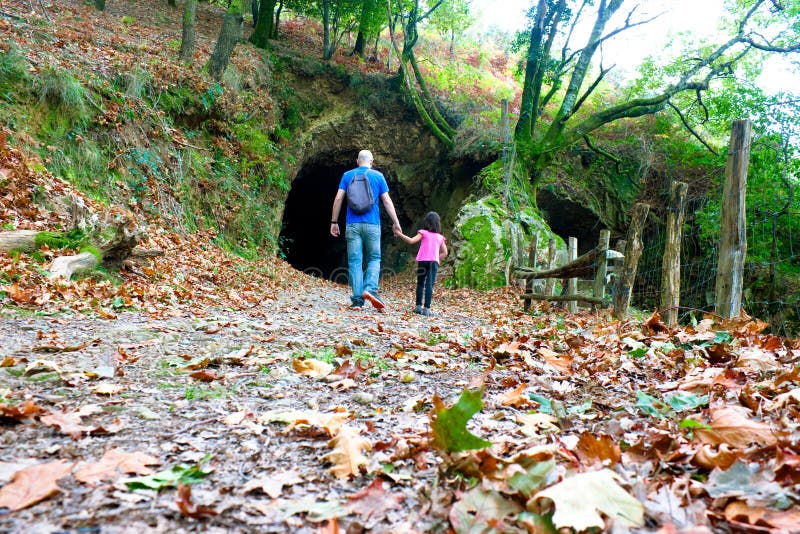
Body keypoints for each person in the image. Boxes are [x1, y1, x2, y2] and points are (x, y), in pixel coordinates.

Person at [330, 150, 402, 310]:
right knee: (374, 258)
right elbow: (387, 201)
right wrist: (396, 222)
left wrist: (334, 221)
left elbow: (338, 198)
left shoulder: (347, 176)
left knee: (355, 261)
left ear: (357, 161)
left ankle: (357, 300)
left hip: (352, 225)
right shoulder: (378, 176)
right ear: (372, 161)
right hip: (372, 225)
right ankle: (370, 289)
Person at [394, 211, 447, 316]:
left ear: (426, 222)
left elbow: (410, 241)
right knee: (429, 285)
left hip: (422, 262)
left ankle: (418, 307)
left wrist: (399, 234)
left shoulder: (423, 232)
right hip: (433, 263)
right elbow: (445, 252)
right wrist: (437, 258)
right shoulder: (440, 237)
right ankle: (427, 309)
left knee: (420, 283)